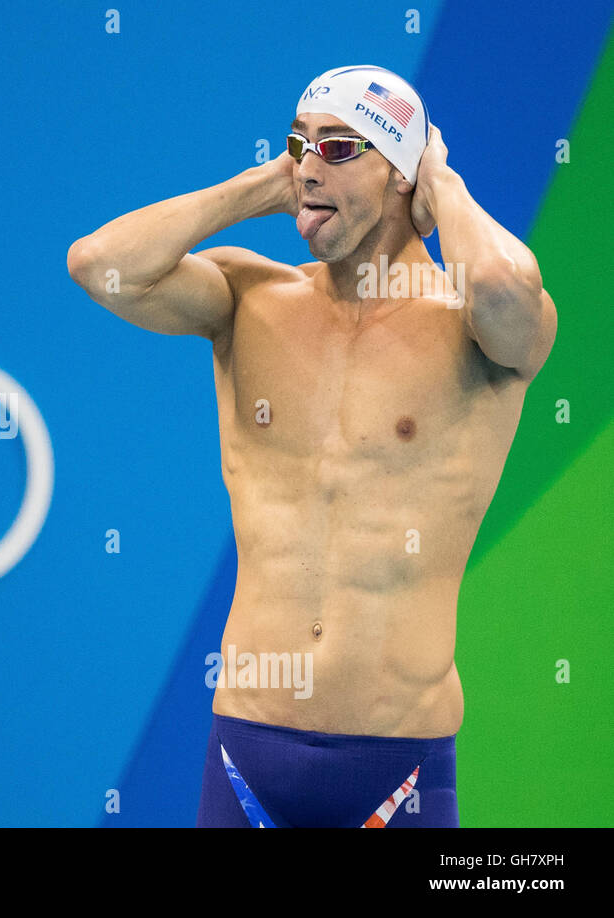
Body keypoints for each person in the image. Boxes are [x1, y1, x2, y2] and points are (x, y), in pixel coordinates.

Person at [67, 65, 556, 827]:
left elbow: (500, 283)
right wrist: (264, 183)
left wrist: (443, 186)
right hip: (246, 756)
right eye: (300, 144)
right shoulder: (247, 297)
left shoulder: (477, 327)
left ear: (400, 172)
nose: (308, 166)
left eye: (338, 149)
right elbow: (100, 266)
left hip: (400, 768)